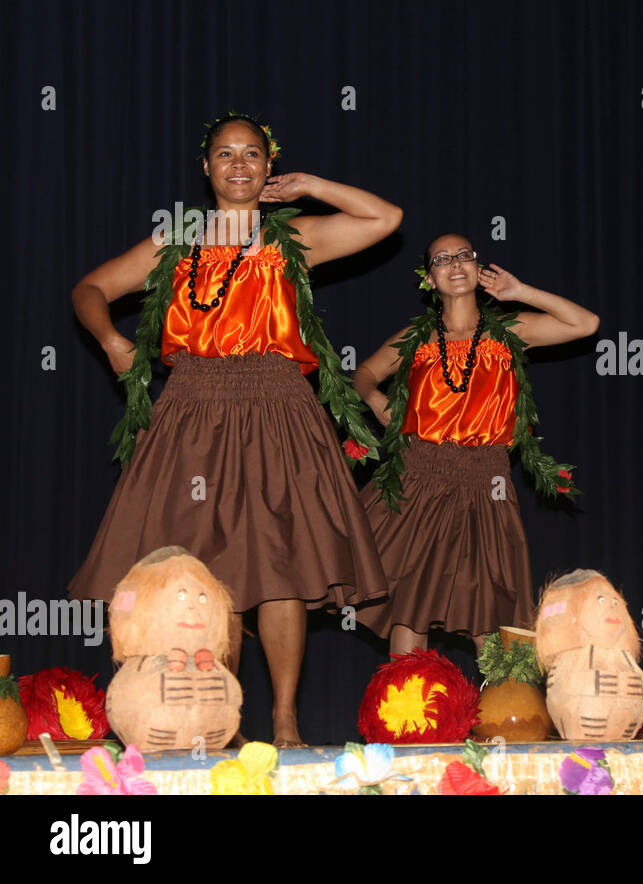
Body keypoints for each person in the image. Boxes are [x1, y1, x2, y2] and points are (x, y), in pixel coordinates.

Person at [69, 114, 402, 746]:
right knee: (199, 569)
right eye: (226, 154)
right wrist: (110, 338)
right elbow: (90, 287)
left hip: (279, 405)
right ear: (206, 168)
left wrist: (312, 185)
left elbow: (384, 219)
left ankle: (283, 720)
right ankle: (211, 716)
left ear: (269, 167)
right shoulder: (177, 243)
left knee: (283, 565)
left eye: (253, 154)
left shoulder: (292, 239)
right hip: (194, 408)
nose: (240, 165)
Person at [352, 234, 598, 656]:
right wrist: (375, 400)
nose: (456, 264)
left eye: (464, 255)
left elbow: (585, 324)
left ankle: (502, 716)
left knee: (487, 603)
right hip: (420, 473)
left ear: (478, 266)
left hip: (486, 477)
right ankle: (408, 716)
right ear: (429, 278)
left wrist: (521, 292)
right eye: (442, 259)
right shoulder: (418, 336)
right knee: (411, 602)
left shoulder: (509, 332)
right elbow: (364, 374)